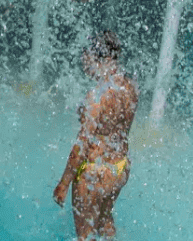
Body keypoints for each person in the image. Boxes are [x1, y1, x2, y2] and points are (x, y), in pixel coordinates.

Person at [54, 32, 137, 241]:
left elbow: (82, 145)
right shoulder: (130, 88)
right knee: (105, 221)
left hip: (94, 173)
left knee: (85, 235)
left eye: (87, 61)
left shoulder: (97, 96)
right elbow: (115, 126)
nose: (85, 68)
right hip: (119, 168)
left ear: (102, 59)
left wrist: (64, 183)